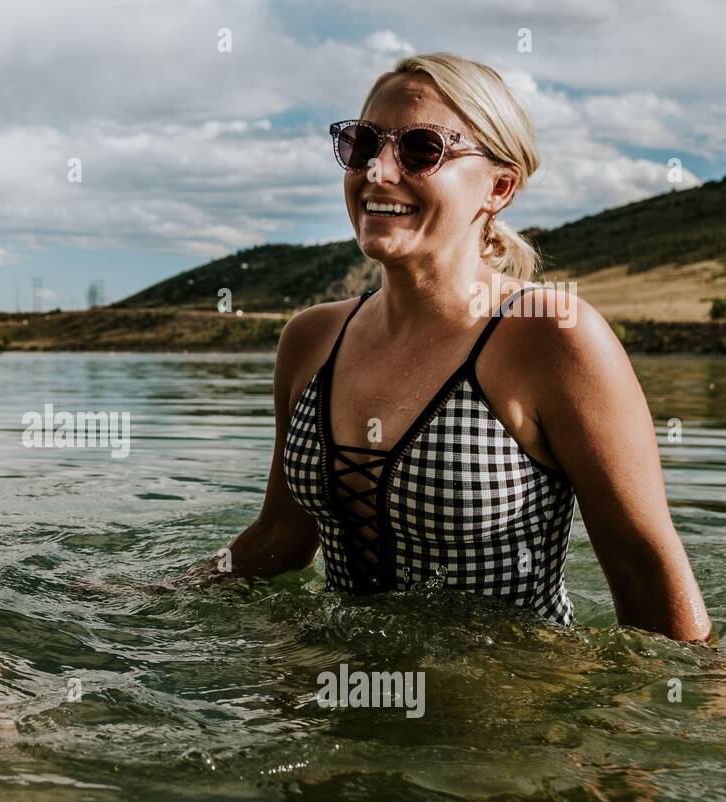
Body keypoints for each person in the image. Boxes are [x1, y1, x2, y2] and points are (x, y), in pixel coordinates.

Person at [211, 52, 712, 642]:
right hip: (327, 695)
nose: (377, 171)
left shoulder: (552, 336)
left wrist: (687, 717)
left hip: (501, 708)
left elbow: (646, 572)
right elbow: (279, 539)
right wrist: (141, 600)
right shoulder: (312, 337)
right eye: (363, 144)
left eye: (421, 150)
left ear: (499, 186)